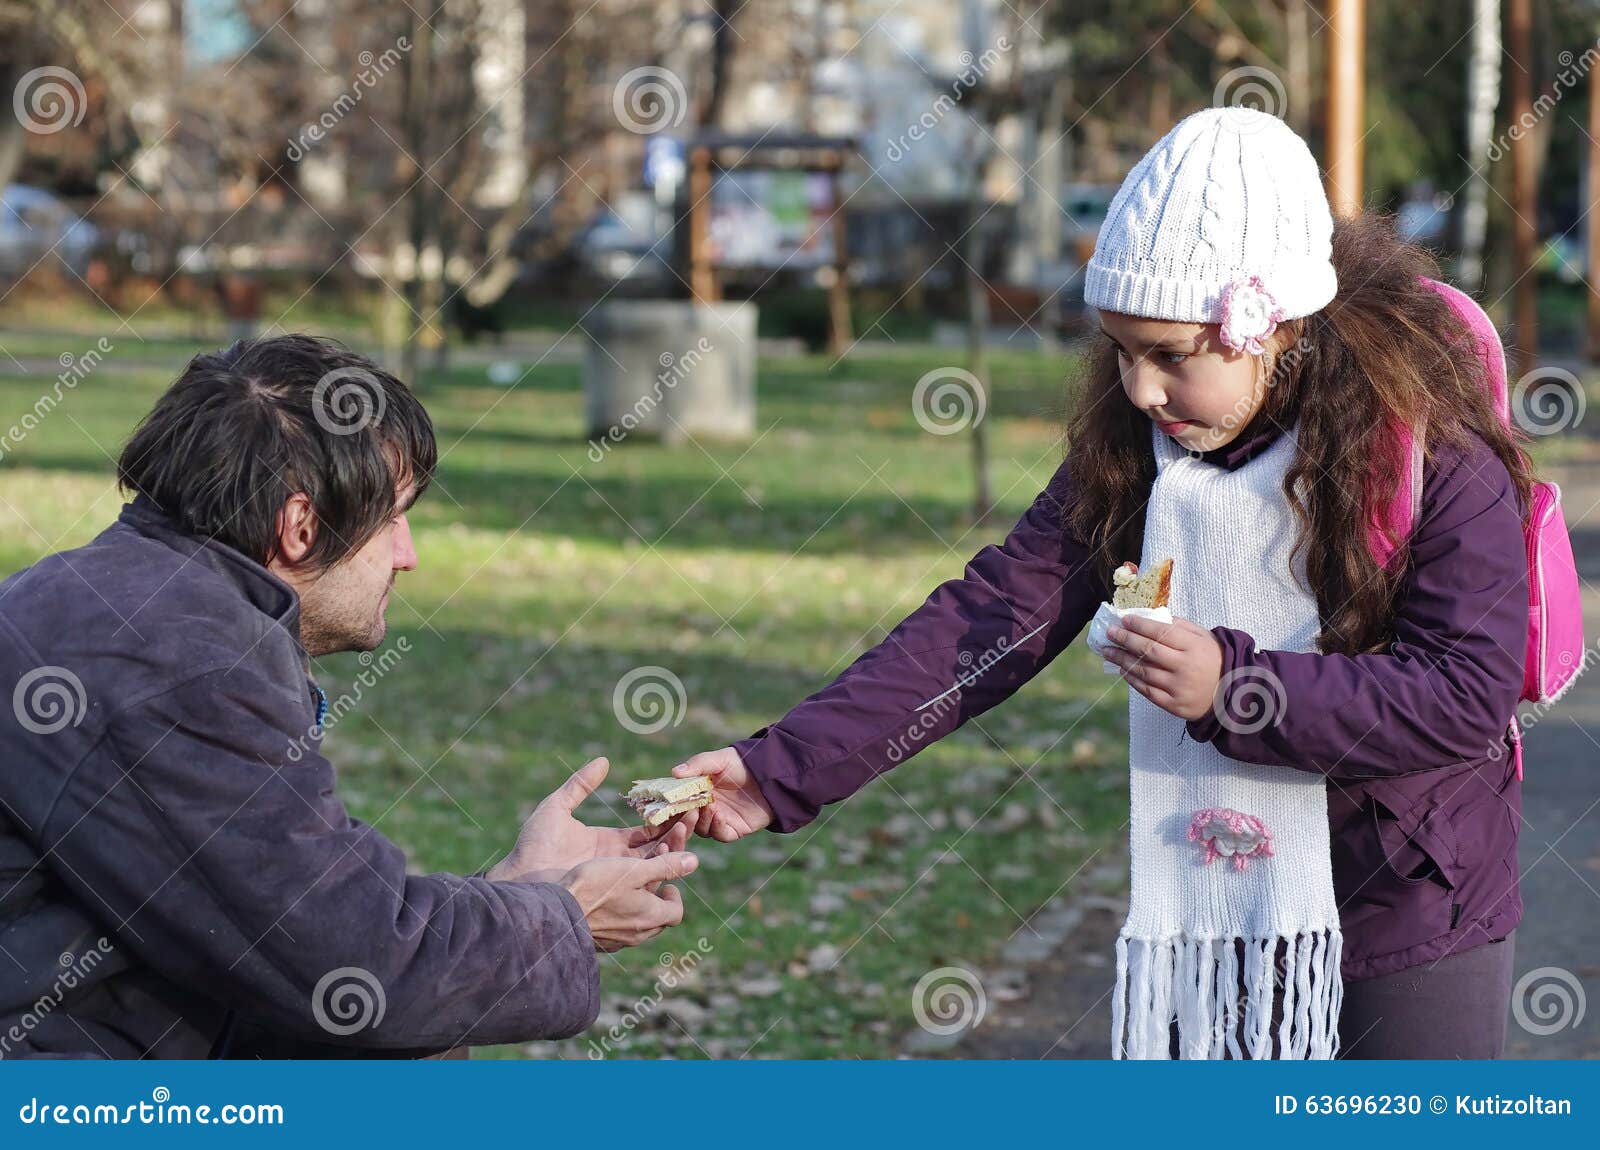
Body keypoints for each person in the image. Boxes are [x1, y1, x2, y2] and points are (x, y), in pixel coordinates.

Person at [665, 107, 1528, 1060]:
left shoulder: (1434, 450)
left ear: (1275, 330)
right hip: (1216, 914)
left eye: (1171, 356)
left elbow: (1466, 694)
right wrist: (777, 770)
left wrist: (1237, 688)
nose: (1139, 390)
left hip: (1408, 901)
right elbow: (990, 620)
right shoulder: (1136, 448)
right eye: (1120, 349)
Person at [0, 335, 697, 1059]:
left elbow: (305, 919)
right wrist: (563, 917)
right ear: (301, 527)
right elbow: (356, 970)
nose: (408, 555)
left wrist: (523, 888)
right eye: (393, 519)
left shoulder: (123, 599)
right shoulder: (179, 666)